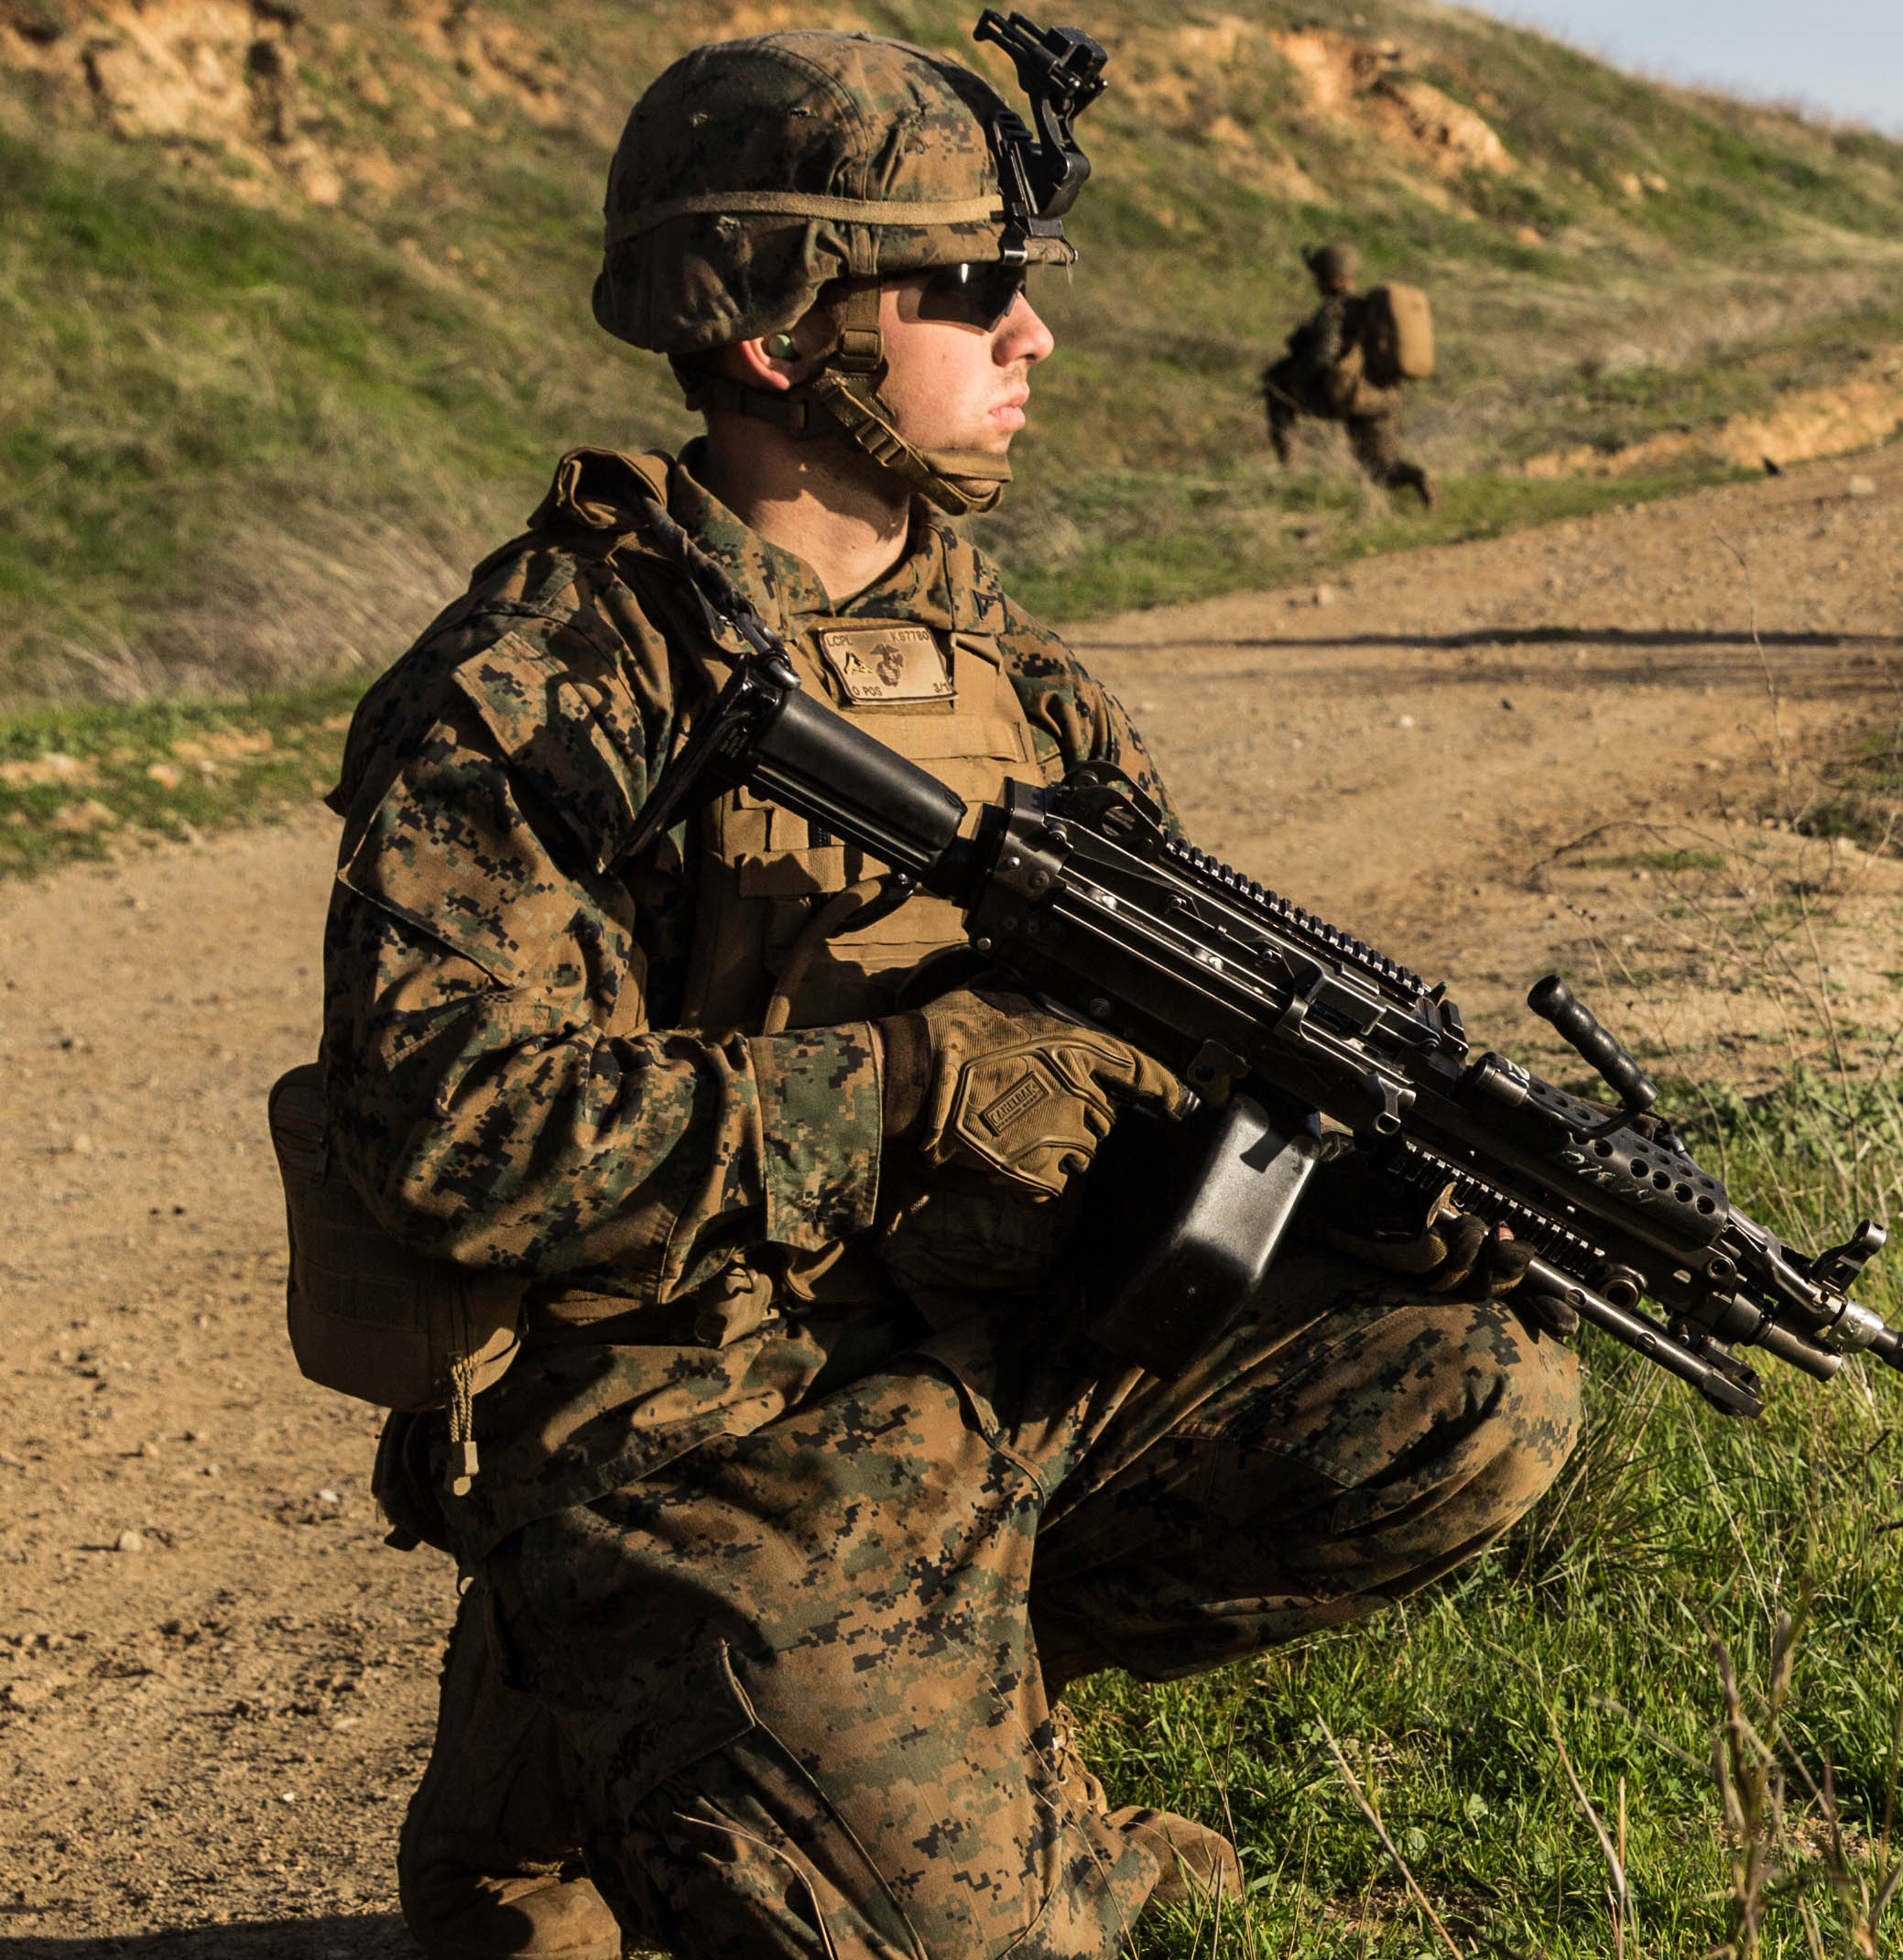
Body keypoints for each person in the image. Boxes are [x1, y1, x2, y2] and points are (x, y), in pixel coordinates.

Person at [309, 27, 1575, 1959]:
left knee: (1471, 1391)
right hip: (690, 1417)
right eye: (971, 289)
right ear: (774, 327)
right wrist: (905, 1096)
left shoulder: (1018, 677)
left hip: (988, 1367)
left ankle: (927, 1714)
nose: (1032, 336)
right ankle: (577, 1738)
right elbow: (449, 1133)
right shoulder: (554, 677)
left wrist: (1375, 1186)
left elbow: (1170, 1068)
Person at [1260, 243, 1437, 507]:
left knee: (1276, 394)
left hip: (1350, 397)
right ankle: (1419, 475)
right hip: (1383, 397)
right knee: (1381, 468)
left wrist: (1295, 378)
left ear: (1330, 280)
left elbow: (1323, 355)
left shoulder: (1334, 310)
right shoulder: (1368, 309)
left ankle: (1289, 469)